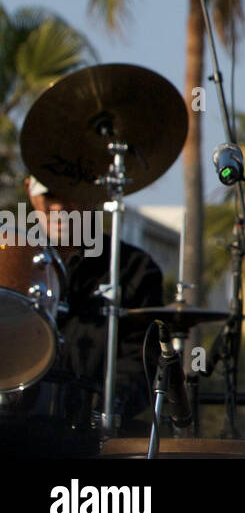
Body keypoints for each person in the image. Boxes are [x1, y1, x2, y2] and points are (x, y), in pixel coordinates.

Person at [0, 176, 163, 456]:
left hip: (92, 442)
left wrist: (102, 404)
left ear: (93, 196)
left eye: (70, 194)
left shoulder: (134, 269)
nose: (60, 206)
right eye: (50, 195)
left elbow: (141, 366)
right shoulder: (8, 255)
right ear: (30, 190)